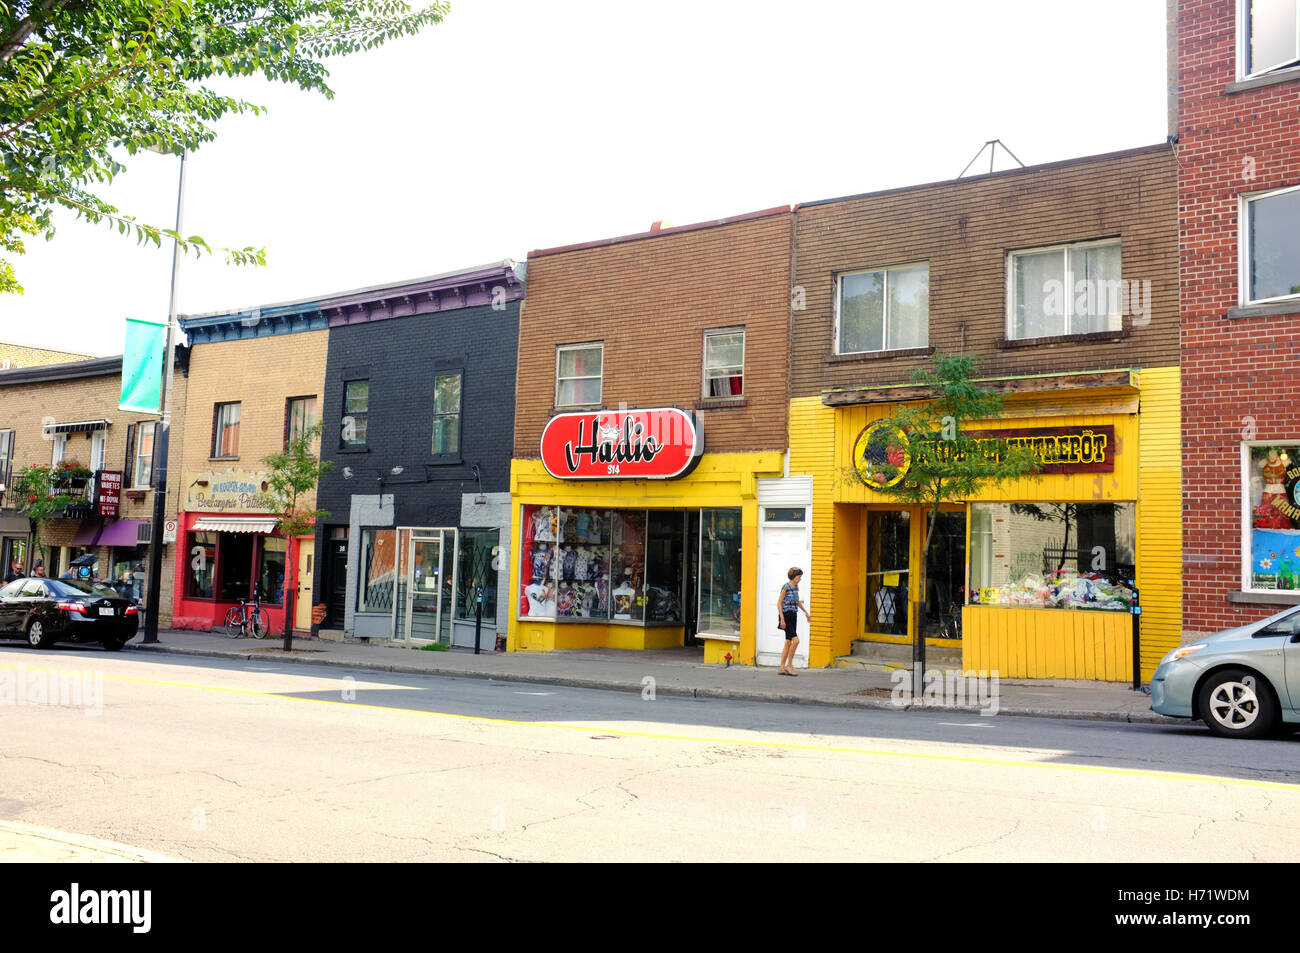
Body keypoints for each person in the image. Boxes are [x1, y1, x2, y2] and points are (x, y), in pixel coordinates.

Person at [777, 566, 811, 676]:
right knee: (796, 641)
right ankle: (789, 666)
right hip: (786, 615)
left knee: (788, 641)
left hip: (793, 615)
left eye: (800, 576)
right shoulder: (786, 587)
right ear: (793, 576)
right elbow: (779, 603)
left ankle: (782, 667)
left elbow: (797, 601)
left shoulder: (796, 587)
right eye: (799, 576)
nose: (800, 578)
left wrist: (806, 612)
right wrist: (782, 619)